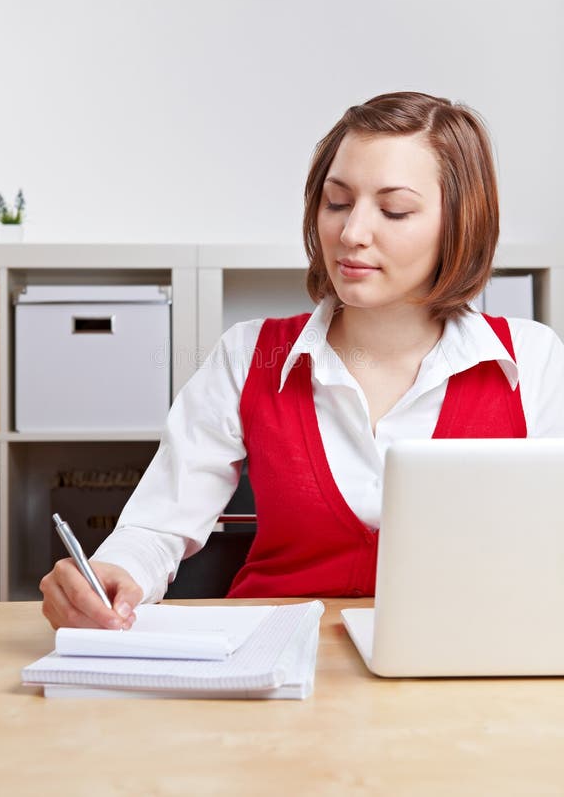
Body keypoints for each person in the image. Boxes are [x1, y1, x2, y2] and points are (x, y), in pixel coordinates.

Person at [40, 90, 564, 630]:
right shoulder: (250, 355)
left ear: (460, 222)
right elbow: (156, 527)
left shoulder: (532, 361)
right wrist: (111, 573)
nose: (351, 233)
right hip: (276, 665)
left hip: (458, 669)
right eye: (336, 203)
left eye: (394, 210)